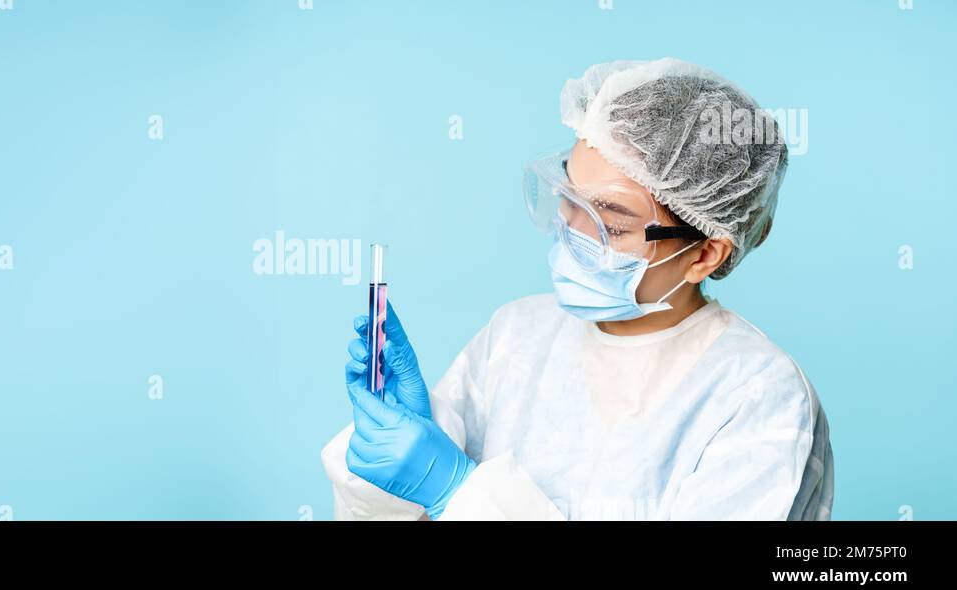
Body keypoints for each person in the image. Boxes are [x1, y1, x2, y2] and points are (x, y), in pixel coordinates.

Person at [320, 58, 833, 520]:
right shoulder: (517, 336)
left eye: (609, 222)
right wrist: (384, 479)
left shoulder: (758, 397)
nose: (572, 231)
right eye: (569, 198)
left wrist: (461, 493)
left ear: (704, 254)